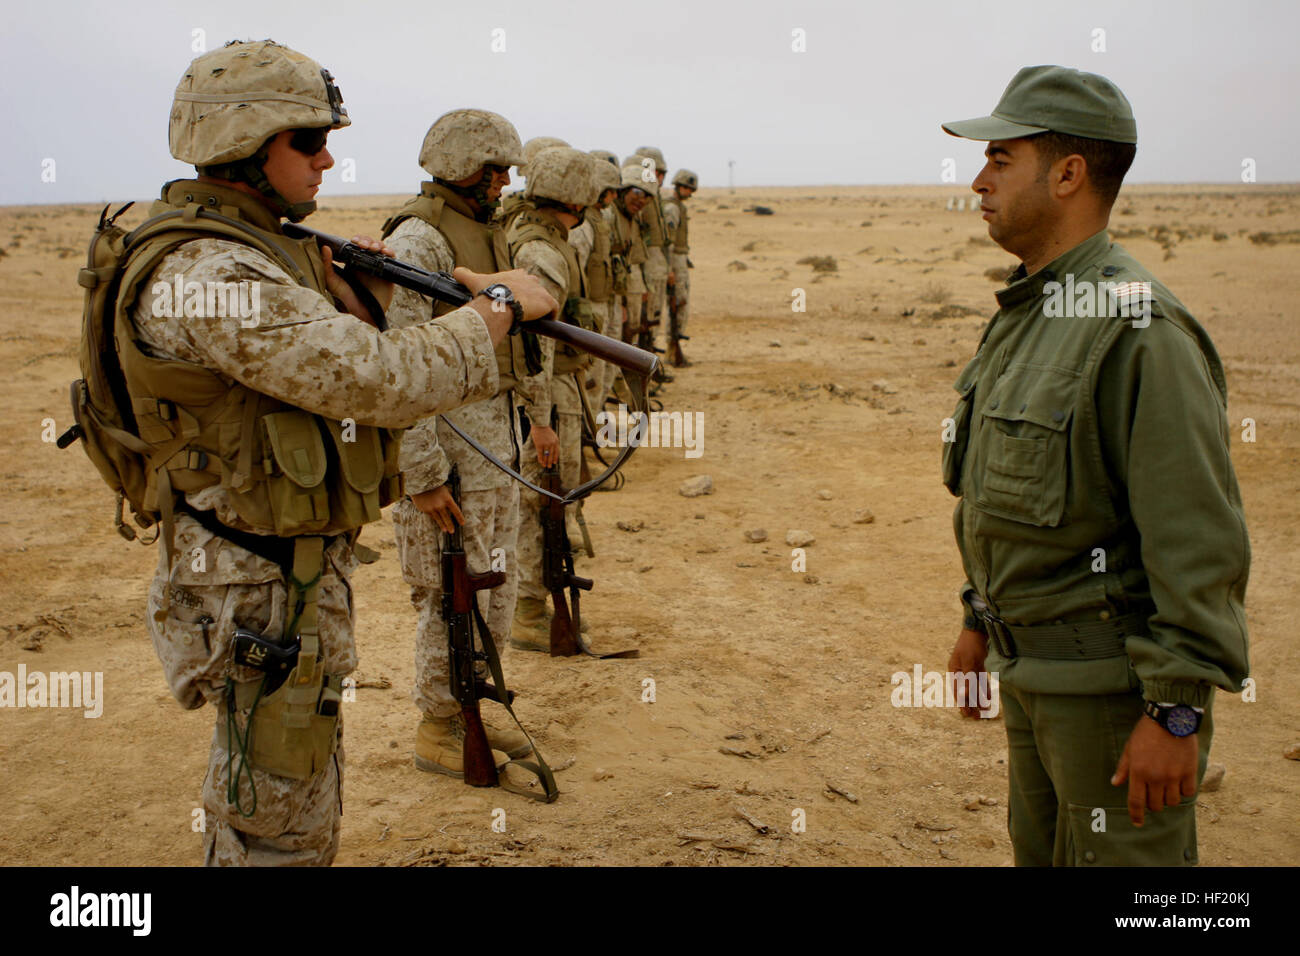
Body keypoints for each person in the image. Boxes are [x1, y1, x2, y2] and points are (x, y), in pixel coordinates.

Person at [136, 40, 554, 864]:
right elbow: (384, 378)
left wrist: (357, 295)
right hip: (253, 586)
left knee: (291, 796)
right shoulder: (212, 270)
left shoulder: (247, 252)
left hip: (273, 569)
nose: (330, 157)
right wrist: (498, 307)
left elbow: (309, 373)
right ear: (248, 143)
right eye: (308, 141)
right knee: (276, 823)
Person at [941, 65, 1250, 866]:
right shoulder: (1032, 311)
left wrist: (1176, 712)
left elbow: (1195, 535)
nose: (979, 180)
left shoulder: (1139, 330)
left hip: (1112, 702)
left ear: (1069, 174)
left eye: (1001, 159)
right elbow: (1010, 497)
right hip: (1030, 675)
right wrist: (980, 618)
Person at [379, 108, 542, 775]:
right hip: (446, 451)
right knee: (448, 595)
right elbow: (398, 367)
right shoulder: (420, 239)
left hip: (493, 444)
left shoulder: (486, 232)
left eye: (507, 169)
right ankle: (439, 725)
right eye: (493, 168)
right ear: (460, 164)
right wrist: (421, 473)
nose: (503, 182)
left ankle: (478, 699)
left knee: (492, 586)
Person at [504, 147, 601, 650]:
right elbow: (537, 340)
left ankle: (532, 606)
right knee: (541, 501)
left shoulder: (529, 234)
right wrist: (540, 418)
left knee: (545, 499)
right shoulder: (541, 249)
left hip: (545, 391)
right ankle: (527, 612)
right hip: (545, 393)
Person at [570, 154, 622, 409]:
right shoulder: (583, 224)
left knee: (602, 373)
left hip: (603, 302)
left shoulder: (599, 220)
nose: (613, 199)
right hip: (589, 309)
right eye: (610, 192)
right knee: (592, 376)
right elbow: (576, 270)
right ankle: (584, 433)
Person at [660, 169, 697, 367]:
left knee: (679, 305)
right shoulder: (672, 209)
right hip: (675, 262)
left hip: (679, 261)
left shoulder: (677, 207)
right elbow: (669, 241)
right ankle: (672, 349)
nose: (689, 192)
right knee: (677, 304)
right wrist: (670, 270)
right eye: (686, 188)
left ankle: (674, 348)